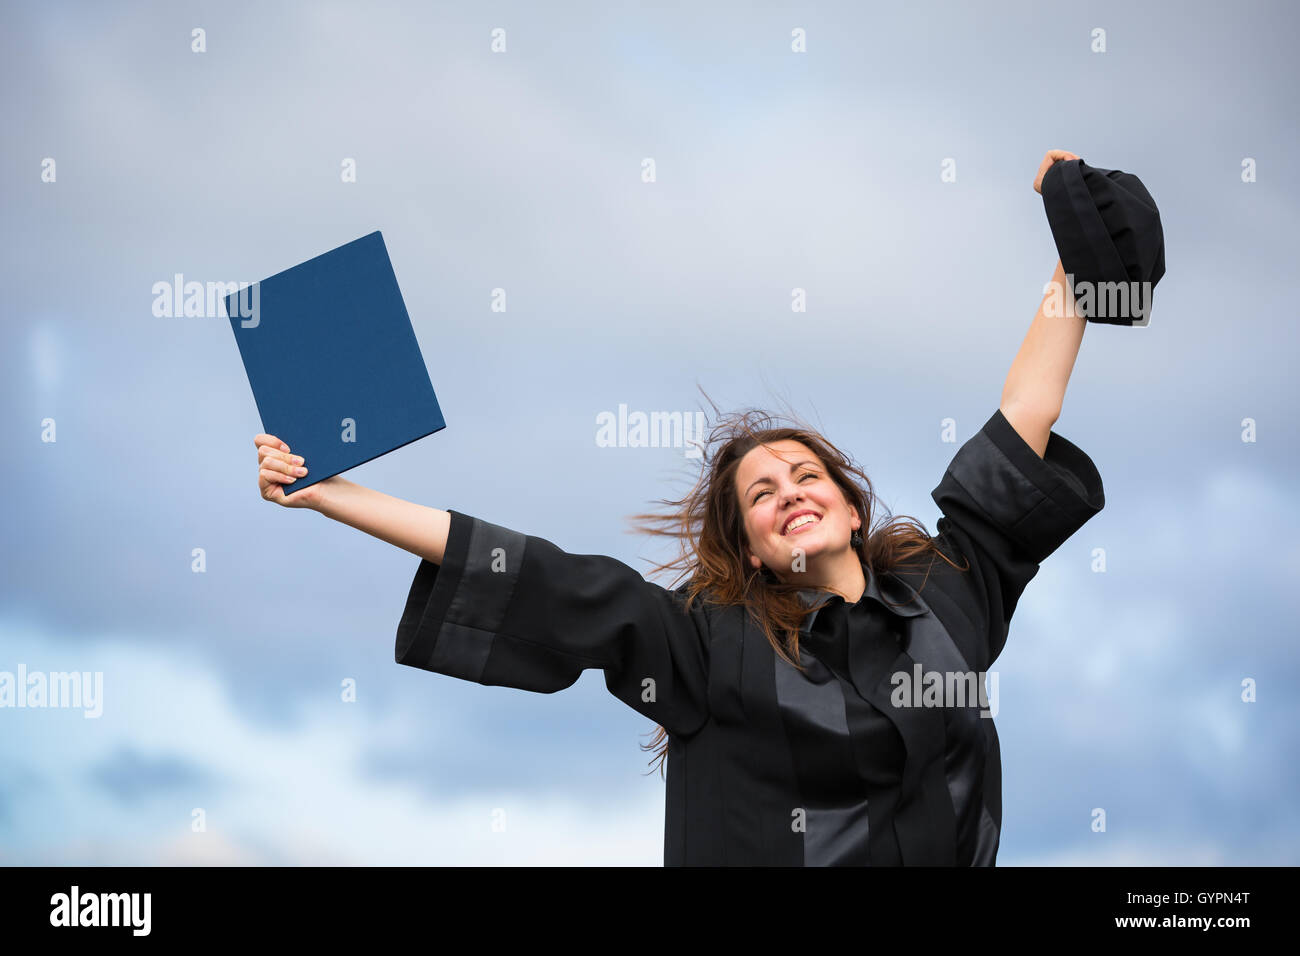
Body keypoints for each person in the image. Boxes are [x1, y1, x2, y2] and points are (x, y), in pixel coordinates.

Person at [252, 150, 1107, 865]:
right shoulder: (711, 647)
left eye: (805, 478)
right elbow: (539, 576)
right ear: (755, 550)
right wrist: (335, 494)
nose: (790, 498)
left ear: (849, 505)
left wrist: (1077, 252)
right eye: (762, 497)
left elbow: (1027, 411)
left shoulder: (947, 592)